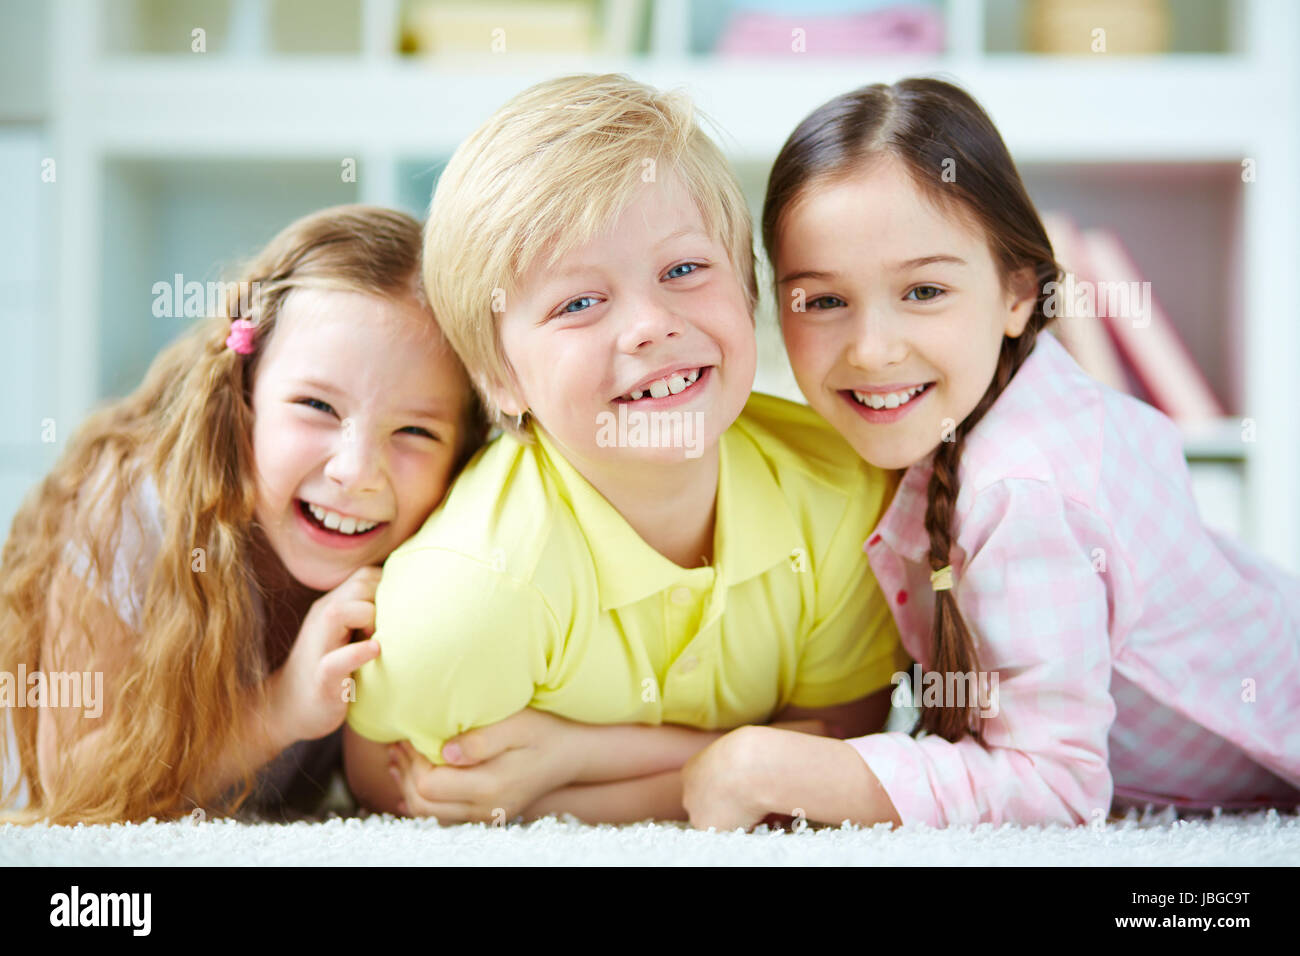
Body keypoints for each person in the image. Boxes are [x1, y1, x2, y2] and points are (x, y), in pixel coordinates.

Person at [680, 77, 1300, 830]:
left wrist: (764, 767)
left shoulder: (1022, 486)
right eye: (824, 301)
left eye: (924, 291)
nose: (873, 350)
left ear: (1017, 293)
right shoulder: (956, 422)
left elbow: (1054, 790)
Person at [344, 74, 903, 824]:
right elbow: (398, 787)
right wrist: (733, 770)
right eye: (578, 302)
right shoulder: (473, 597)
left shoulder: (844, 497)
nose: (649, 325)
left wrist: (574, 757)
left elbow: (838, 750)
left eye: (683, 270)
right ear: (502, 379)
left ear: (747, 289)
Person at [0, 205, 487, 824]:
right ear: (244, 392)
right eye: (316, 405)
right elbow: (69, 784)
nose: (356, 471)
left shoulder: (446, 544)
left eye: (415, 430)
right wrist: (282, 707)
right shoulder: (135, 508)